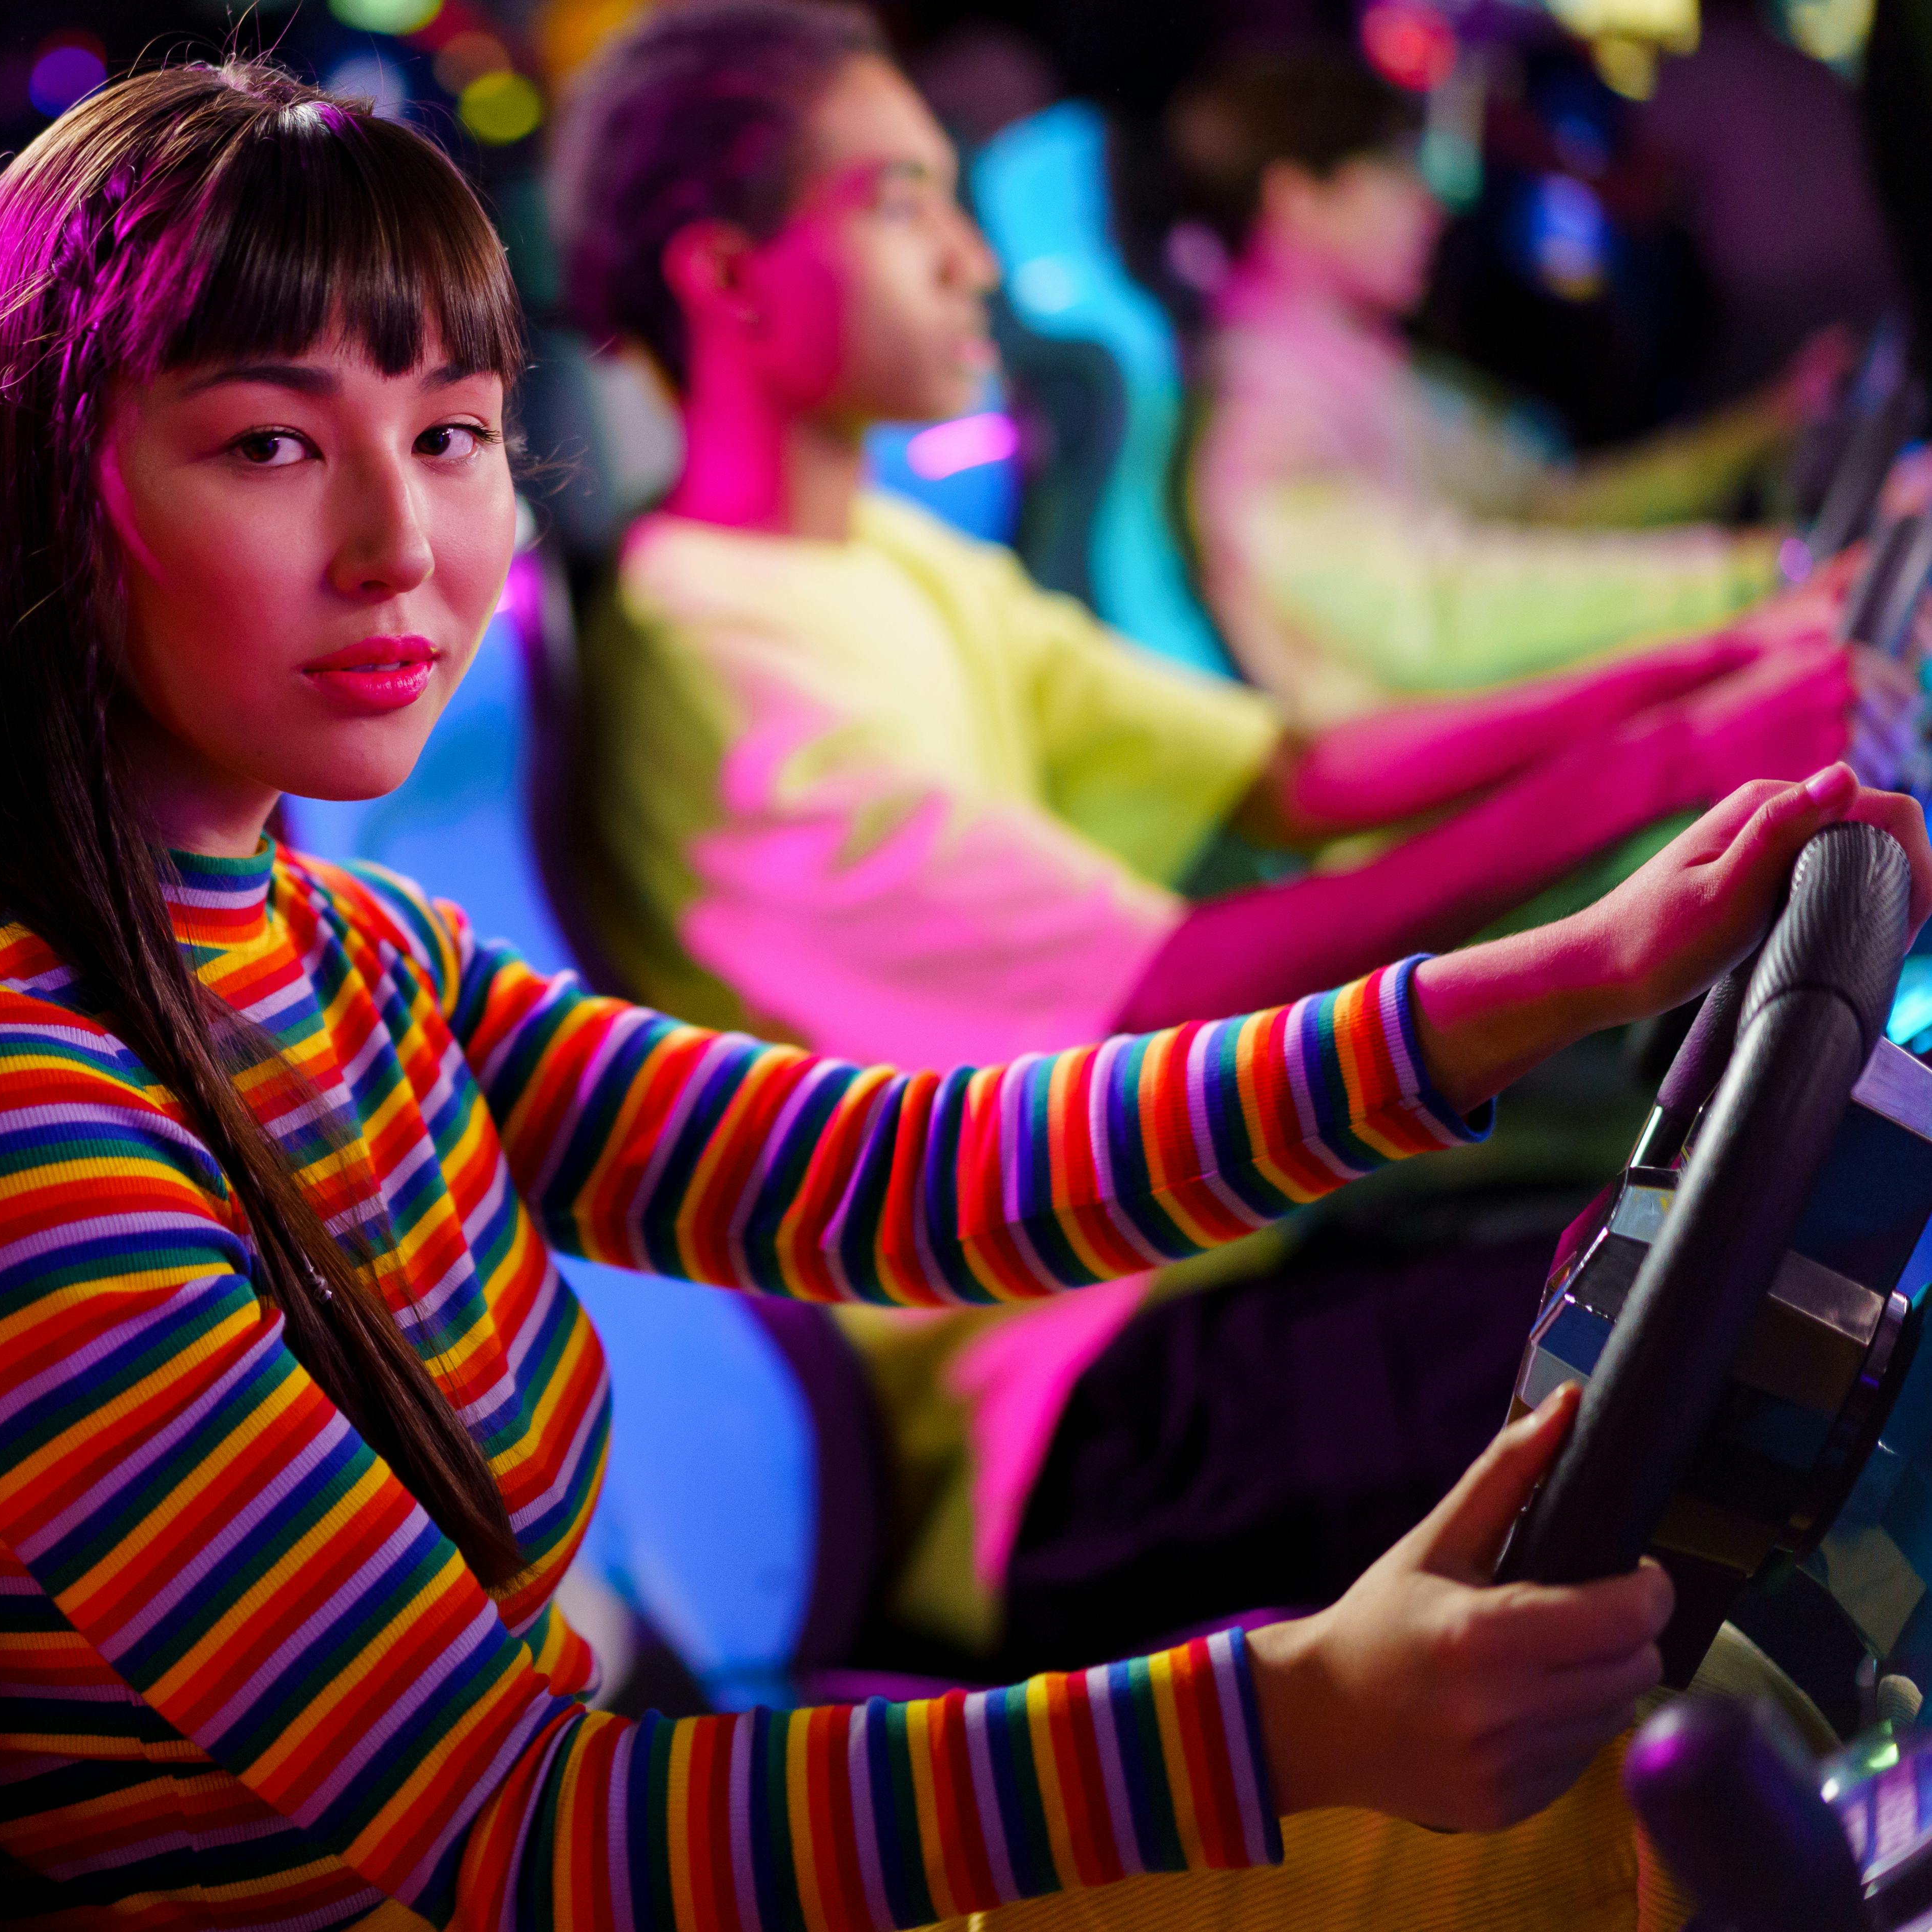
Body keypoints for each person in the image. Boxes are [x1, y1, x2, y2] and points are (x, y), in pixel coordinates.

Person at [0, 55, 1932, 1928]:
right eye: (269, 444)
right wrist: (1298, 1714)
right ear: (48, 488)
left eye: (450, 435)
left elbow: (898, 1169)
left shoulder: (334, 946)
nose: (399, 543)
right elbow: (509, 1822)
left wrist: (1538, 984)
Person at [547, 0, 1862, 1676]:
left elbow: (1295, 773)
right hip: (1065, 1416)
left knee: (1765, 1266)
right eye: (899, 204)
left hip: (1209, 1245)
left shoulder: (882, 554)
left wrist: (1700, 676)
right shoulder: (712, 663)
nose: (973, 264)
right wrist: (1656, 784)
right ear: (726, 279)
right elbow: (1162, 980)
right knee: (1757, 1346)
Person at [1176, 47, 1860, 731]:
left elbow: (1550, 505)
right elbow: (1437, 617)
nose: (1431, 204)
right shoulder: (1259, 416)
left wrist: (1766, 430)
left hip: (1528, 747)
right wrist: (1751, 576)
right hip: (1474, 799)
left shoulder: (1351, 364)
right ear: (1297, 198)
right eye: (1396, 170)